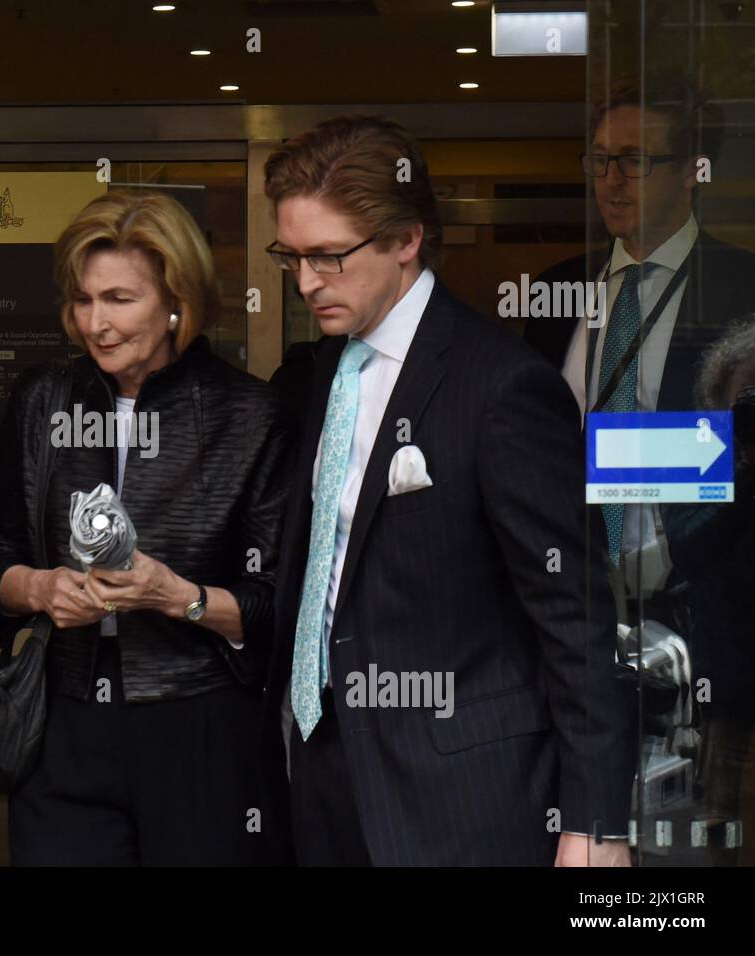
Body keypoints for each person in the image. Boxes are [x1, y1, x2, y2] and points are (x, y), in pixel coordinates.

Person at [263, 115, 635, 866]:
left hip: (464, 795)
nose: (305, 283)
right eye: (290, 257)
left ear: (406, 241)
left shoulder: (501, 385)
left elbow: (578, 616)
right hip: (324, 770)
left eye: (329, 257)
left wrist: (596, 823)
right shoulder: (315, 376)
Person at [0, 190, 293, 865]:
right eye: (84, 300)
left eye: (119, 299)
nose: (96, 323)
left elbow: (274, 603)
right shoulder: (43, 398)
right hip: (64, 722)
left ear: (178, 302)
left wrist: (180, 597)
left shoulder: (249, 414)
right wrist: (40, 588)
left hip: (198, 724)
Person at [524, 76, 755, 591]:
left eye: (635, 160)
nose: (611, 180)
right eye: (600, 159)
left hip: (706, 592)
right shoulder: (556, 291)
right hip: (571, 592)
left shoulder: (744, 290)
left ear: (693, 171)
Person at [661, 319, 755, 865]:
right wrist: (744, 479)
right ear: (719, 403)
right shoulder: (701, 455)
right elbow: (687, 551)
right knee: (719, 820)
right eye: (747, 402)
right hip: (727, 674)